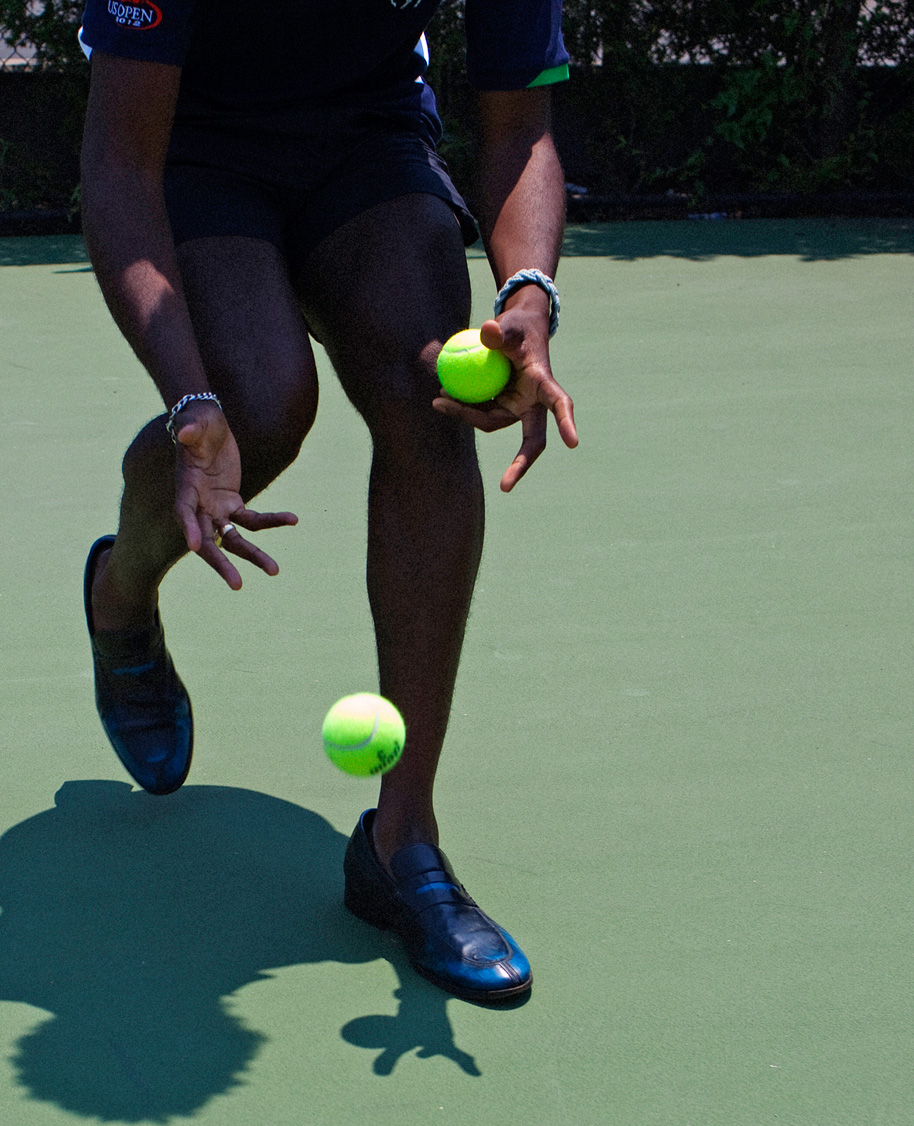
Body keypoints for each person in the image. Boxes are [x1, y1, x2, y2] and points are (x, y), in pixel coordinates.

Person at [75, 0, 577, 1003]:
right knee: (253, 409)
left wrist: (527, 294)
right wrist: (191, 398)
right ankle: (121, 593)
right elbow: (120, 167)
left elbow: (518, 124)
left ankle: (403, 844)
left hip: (368, 142)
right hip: (194, 147)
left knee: (428, 390)